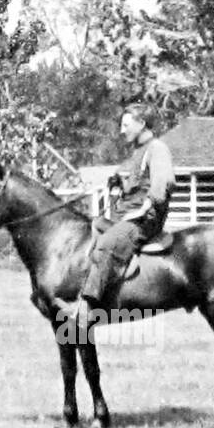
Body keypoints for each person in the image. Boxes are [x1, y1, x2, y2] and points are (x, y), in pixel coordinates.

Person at [70, 104, 175, 330]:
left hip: (146, 219)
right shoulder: (139, 150)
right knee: (96, 226)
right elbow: (138, 187)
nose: (121, 130)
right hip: (130, 214)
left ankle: (89, 305)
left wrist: (146, 205)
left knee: (108, 242)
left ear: (142, 123)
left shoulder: (157, 148)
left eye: (126, 125)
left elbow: (162, 182)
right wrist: (122, 187)